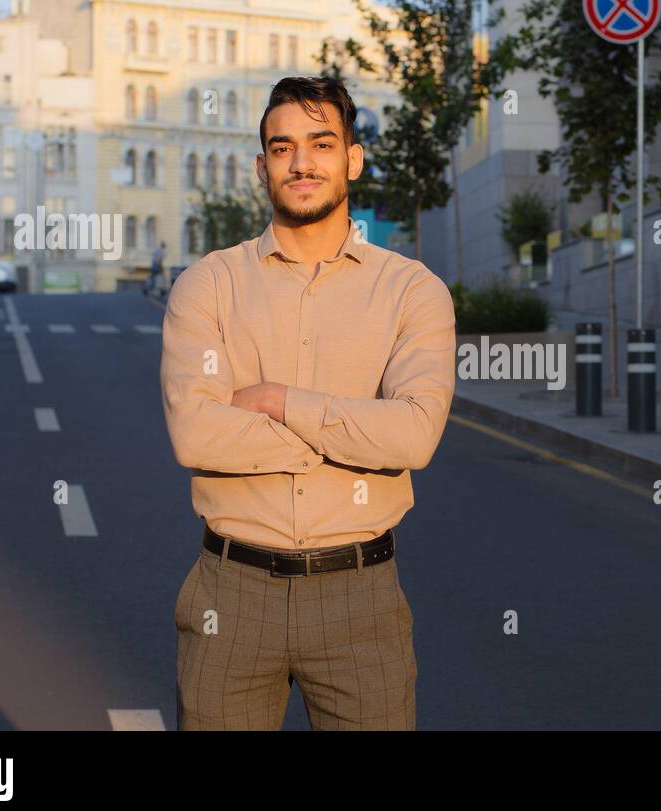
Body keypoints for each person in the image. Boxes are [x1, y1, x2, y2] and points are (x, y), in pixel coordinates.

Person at [159, 76, 456, 730]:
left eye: (321, 143)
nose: (301, 162)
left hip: (361, 600)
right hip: (229, 595)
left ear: (352, 158)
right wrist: (352, 432)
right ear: (261, 167)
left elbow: (414, 437)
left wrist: (275, 400)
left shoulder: (413, 292)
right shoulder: (207, 285)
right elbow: (196, 436)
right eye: (283, 147)